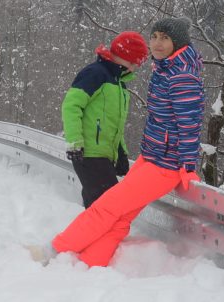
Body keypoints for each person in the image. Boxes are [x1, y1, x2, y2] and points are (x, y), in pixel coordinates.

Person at [51, 18, 204, 267]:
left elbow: (189, 125)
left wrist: (187, 165)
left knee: (107, 207)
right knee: (119, 216)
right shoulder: (164, 69)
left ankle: (56, 250)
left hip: (166, 164)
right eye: (154, 36)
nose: (156, 43)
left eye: (164, 38)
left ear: (177, 43)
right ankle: (91, 261)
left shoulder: (182, 76)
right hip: (151, 156)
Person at [62, 31, 149, 208]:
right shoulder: (95, 74)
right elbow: (71, 106)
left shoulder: (119, 84)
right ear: (125, 58)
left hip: (103, 155)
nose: (134, 68)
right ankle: (98, 235)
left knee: (99, 206)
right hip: (88, 152)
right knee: (109, 206)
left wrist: (120, 152)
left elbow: (113, 124)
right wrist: (74, 142)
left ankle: (90, 234)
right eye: (134, 63)